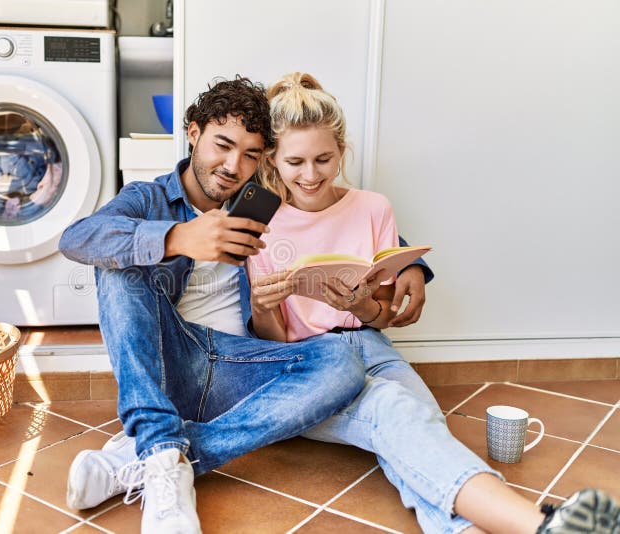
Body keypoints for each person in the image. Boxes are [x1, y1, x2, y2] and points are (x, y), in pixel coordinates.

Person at [246, 71, 619, 533]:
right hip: (307, 364)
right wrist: (263, 307)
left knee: (418, 430)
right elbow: (276, 339)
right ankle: (537, 524)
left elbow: (383, 316)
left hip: (372, 349)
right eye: (296, 161)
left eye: (323, 158)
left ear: (342, 151)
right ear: (273, 161)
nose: (311, 174)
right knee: (401, 416)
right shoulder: (261, 224)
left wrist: (364, 307)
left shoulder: (373, 207)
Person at [58, 77, 369, 534]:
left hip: (236, 370)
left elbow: (342, 217)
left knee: (344, 362)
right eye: (222, 145)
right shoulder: (149, 199)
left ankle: (159, 455)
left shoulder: (268, 202)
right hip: (170, 362)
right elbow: (76, 238)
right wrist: (176, 238)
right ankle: (162, 454)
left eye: (250, 154)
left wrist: (411, 269)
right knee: (117, 263)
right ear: (193, 132)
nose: (232, 165)